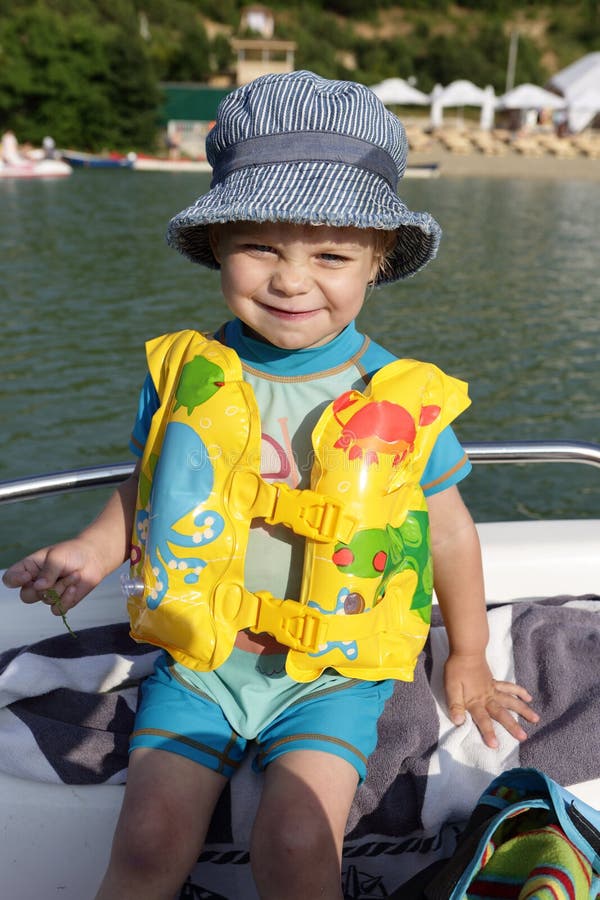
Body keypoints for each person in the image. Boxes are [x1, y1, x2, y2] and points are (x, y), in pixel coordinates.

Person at [2, 71, 539, 900]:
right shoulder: (186, 373)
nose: (293, 281)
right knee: (146, 843)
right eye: (261, 248)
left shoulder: (397, 397)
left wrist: (464, 654)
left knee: (295, 841)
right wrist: (87, 549)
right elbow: (152, 490)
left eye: (330, 255)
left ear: (378, 261)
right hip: (200, 663)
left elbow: (449, 531)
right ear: (217, 245)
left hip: (330, 675)